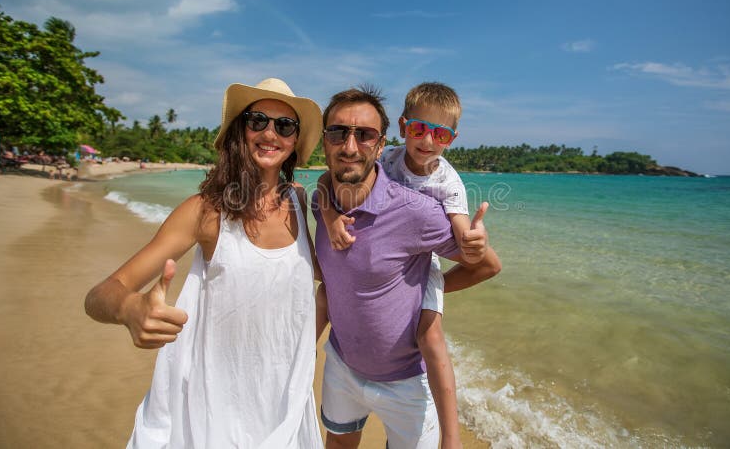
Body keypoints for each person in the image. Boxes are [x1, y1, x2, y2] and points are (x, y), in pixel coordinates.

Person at [84, 78, 324, 448]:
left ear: (294, 141)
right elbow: (100, 295)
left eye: (285, 125)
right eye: (257, 120)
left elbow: (310, 275)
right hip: (211, 408)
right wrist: (129, 307)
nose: (270, 133)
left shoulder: (298, 199)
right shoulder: (206, 211)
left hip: (284, 404)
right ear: (239, 131)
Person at [313, 86, 502, 449]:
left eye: (440, 134)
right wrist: (331, 213)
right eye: (338, 133)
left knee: (430, 335)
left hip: (422, 278)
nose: (428, 140)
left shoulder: (443, 187)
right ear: (402, 129)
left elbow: (479, 255)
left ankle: (452, 435)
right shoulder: (341, 187)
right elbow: (325, 183)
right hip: (341, 363)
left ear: (379, 143)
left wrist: (469, 247)